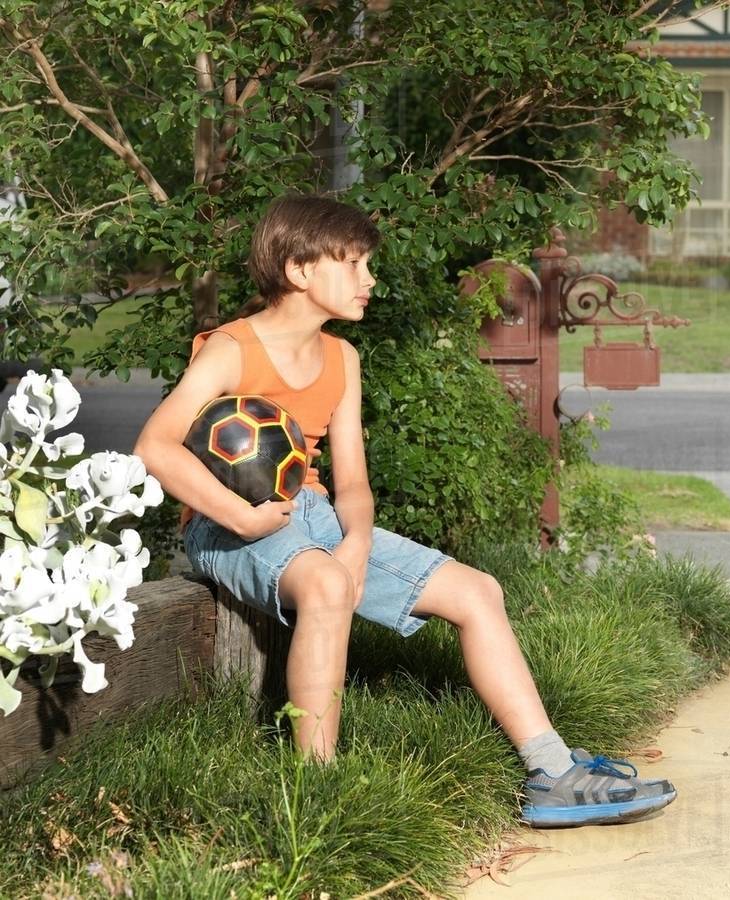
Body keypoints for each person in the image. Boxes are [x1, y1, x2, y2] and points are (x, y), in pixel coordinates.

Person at [133, 194, 675, 828]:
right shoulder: (231, 349)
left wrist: (356, 538)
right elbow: (154, 446)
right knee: (329, 585)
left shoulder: (342, 359)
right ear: (300, 271)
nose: (371, 280)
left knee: (478, 591)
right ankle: (315, 791)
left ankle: (551, 770)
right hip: (228, 525)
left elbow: (354, 481)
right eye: (357, 265)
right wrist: (245, 517)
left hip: (313, 514)